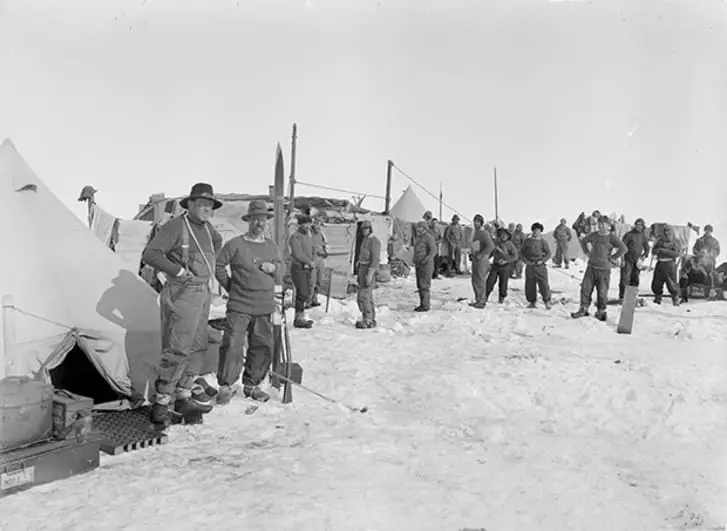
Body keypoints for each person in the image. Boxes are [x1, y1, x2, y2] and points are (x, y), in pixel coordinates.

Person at [141, 182, 224, 427]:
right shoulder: (175, 226)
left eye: (210, 205)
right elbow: (151, 254)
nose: (207, 209)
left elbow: (217, 246)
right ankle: (161, 402)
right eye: (202, 204)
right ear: (190, 205)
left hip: (202, 292)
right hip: (182, 293)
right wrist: (177, 270)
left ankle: (184, 395)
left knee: (198, 346)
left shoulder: (210, 230)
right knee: (177, 348)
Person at [214, 200, 283, 404]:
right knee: (232, 344)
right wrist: (231, 287)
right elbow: (218, 266)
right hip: (240, 305)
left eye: (262, 220)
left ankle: (252, 385)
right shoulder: (235, 244)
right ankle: (226, 386)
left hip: (264, 305)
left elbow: (282, 268)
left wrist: (275, 269)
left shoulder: (272, 246)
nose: (259, 223)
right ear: (249, 221)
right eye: (255, 219)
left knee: (262, 345)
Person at [571, 215, 627, 321]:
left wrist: (613, 257)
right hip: (591, 267)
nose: (601, 226)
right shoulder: (593, 235)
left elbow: (623, 248)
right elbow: (583, 241)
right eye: (600, 224)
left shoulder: (611, 237)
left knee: (602, 291)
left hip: (604, 269)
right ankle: (583, 309)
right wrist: (587, 252)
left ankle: (601, 311)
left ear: (608, 226)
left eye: (604, 224)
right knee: (586, 289)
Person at [288, 214, 315, 328]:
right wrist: (309, 261)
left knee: (306, 292)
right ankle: (298, 318)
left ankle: (301, 316)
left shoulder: (308, 236)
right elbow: (297, 253)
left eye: (309, 223)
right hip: (298, 267)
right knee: (302, 292)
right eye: (305, 223)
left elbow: (310, 250)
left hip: (307, 268)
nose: (308, 226)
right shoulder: (295, 237)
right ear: (300, 224)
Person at [355, 220, 381, 328]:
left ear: (370, 229)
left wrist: (370, 273)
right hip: (362, 269)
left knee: (364, 295)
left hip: (369, 269)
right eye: (362, 229)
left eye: (366, 229)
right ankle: (369, 317)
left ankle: (368, 319)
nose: (364, 231)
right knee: (366, 296)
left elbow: (375, 259)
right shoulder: (365, 240)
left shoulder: (374, 241)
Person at [520, 222, 552, 309]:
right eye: (535, 230)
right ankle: (532, 302)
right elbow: (522, 253)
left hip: (540, 266)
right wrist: (526, 261)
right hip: (530, 265)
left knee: (543, 284)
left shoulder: (543, 242)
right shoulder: (527, 241)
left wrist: (542, 261)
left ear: (540, 231)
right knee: (530, 284)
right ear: (532, 231)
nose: (536, 232)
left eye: (538, 230)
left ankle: (547, 301)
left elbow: (548, 253)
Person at [484, 227, 519, 304]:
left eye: (505, 235)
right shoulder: (496, 243)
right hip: (495, 265)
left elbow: (515, 256)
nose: (503, 236)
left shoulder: (510, 245)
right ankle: (485, 296)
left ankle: (501, 297)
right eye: (501, 235)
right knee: (490, 281)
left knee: (503, 283)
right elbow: (491, 252)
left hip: (505, 266)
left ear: (508, 236)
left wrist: (506, 260)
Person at [618, 218, 650, 302]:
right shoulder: (628, 235)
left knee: (635, 278)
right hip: (628, 259)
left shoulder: (643, 236)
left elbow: (647, 248)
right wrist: (622, 259)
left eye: (641, 225)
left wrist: (644, 256)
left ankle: (631, 296)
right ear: (635, 225)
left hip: (637, 261)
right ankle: (622, 296)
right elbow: (622, 247)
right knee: (625, 278)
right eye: (637, 224)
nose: (639, 226)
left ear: (643, 226)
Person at [469, 214, 495, 309]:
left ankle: (481, 301)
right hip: (475, 258)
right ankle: (478, 299)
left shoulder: (484, 233)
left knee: (480, 280)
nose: (476, 223)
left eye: (478, 221)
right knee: (475, 280)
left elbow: (491, 246)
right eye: (475, 221)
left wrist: (482, 254)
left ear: (481, 223)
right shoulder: (475, 233)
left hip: (482, 259)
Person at [651, 224, 681, 305]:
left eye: (669, 231)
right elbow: (653, 251)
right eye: (665, 231)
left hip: (670, 264)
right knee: (656, 282)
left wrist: (663, 251)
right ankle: (657, 297)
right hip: (660, 262)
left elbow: (676, 253)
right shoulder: (660, 241)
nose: (667, 233)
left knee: (671, 283)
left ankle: (675, 298)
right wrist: (657, 250)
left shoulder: (675, 242)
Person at [413, 220, 437, 312]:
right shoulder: (418, 237)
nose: (418, 229)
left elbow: (433, 251)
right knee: (419, 285)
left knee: (424, 285)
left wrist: (426, 259)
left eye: (420, 227)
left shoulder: (429, 237)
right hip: (418, 263)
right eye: (417, 227)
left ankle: (425, 305)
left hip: (426, 264)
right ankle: (422, 303)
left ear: (424, 228)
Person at [308, 217, 328, 308]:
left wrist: (325, 252)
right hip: (312, 259)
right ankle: (308, 300)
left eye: (319, 225)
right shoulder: (309, 234)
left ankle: (314, 298)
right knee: (311, 281)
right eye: (316, 224)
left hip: (320, 260)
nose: (318, 227)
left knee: (319, 280)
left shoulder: (322, 235)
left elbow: (325, 246)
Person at [423, 212, 442, 279]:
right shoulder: (425, 228)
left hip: (435, 247)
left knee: (436, 261)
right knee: (429, 261)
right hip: (428, 247)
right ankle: (429, 274)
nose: (434, 224)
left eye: (435, 223)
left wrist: (437, 242)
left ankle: (435, 274)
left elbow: (440, 237)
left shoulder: (438, 229)